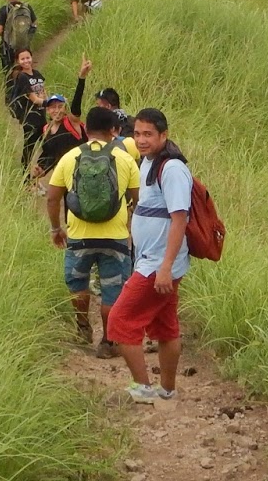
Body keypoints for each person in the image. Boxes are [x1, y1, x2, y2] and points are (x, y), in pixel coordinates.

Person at [104, 107, 191, 403]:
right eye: (137, 133)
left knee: (119, 320)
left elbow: (180, 219)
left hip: (158, 265)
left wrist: (165, 267)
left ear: (163, 135)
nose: (141, 140)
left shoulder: (173, 169)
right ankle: (167, 390)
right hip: (151, 260)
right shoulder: (148, 163)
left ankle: (143, 387)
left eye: (148, 134)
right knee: (165, 327)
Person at [47, 105, 141, 358]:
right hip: (116, 236)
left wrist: (56, 228)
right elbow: (137, 200)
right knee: (112, 289)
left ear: (86, 129)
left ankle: (82, 328)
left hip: (79, 235)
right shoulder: (125, 159)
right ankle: (108, 343)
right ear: (114, 130)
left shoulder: (70, 157)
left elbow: (53, 197)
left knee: (78, 284)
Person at [26, 57, 94, 177]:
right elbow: (50, 154)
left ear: (65, 109)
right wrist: (41, 169)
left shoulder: (71, 122)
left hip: (83, 171)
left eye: (60, 106)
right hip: (65, 175)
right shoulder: (46, 129)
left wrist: (81, 78)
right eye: (52, 107)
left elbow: (77, 103)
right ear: (47, 110)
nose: (56, 110)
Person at [4, 48, 48, 171]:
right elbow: (33, 98)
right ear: (18, 61)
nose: (26, 61)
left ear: (31, 57)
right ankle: (27, 181)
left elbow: (43, 92)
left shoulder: (37, 74)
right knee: (29, 149)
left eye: (28, 57)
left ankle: (39, 173)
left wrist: (48, 102)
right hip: (30, 118)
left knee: (48, 146)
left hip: (41, 116)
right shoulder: (22, 77)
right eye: (22, 59)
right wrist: (49, 103)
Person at [0, 0, 36, 74]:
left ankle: (11, 87)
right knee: (25, 72)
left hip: (8, 48)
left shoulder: (4, 10)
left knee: (9, 73)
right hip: (24, 46)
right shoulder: (26, 7)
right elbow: (34, 24)